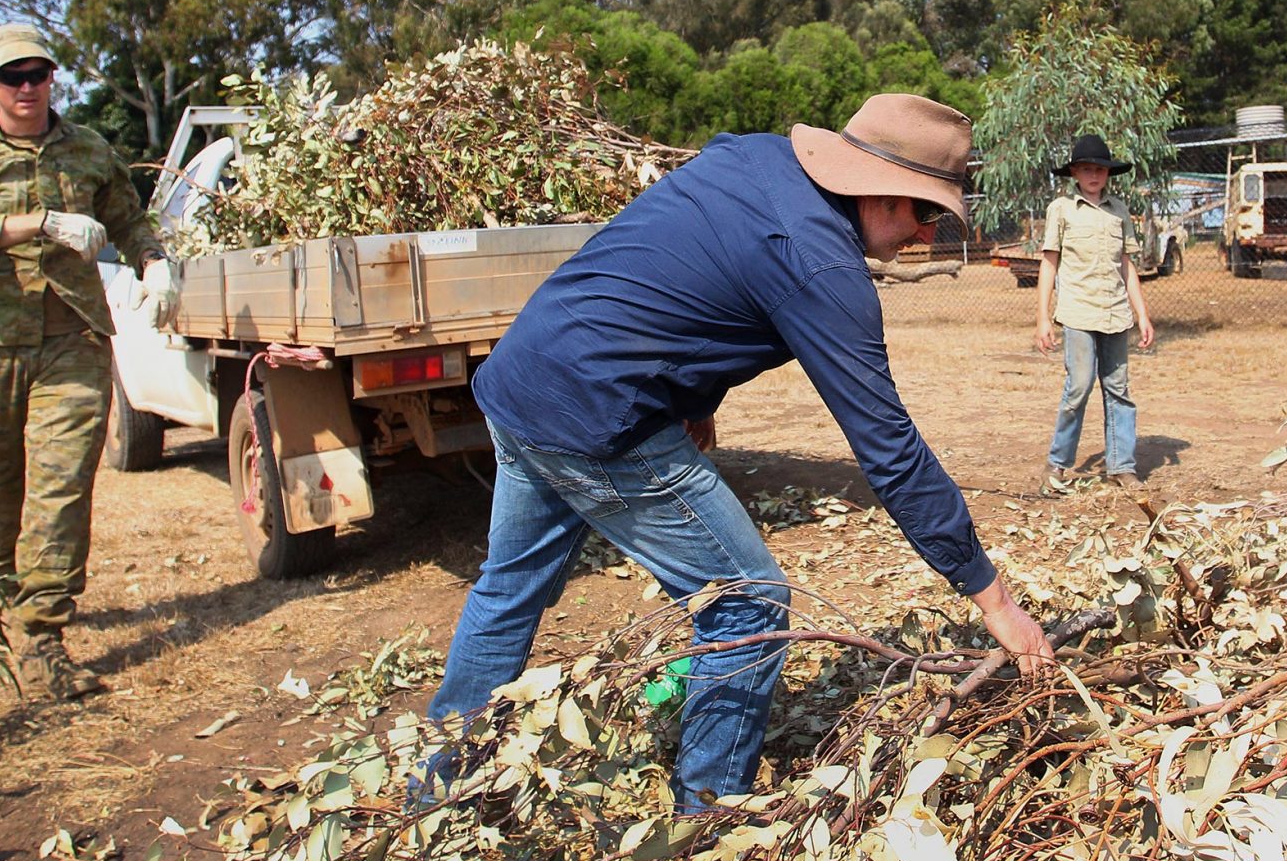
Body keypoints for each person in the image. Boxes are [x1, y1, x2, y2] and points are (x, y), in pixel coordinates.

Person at [427, 93, 1053, 813]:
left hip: (522, 378)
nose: (924, 234)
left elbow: (693, 268)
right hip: (598, 420)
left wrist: (697, 402)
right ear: (880, 191)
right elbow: (891, 452)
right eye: (926, 213)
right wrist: (994, 600)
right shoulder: (821, 267)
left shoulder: (752, 154)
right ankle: (704, 823)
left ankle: (440, 791)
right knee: (751, 605)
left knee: (508, 591)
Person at [0, 24, 175, 700]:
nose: (26, 88)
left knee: (62, 483)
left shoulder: (86, 147)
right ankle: (4, 592)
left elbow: (126, 214)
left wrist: (155, 261)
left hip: (72, 339)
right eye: (10, 78)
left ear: (52, 76)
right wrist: (39, 224)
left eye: (36, 73)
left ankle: (43, 634)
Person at [1034, 135, 1155, 493]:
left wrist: (1142, 314)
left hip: (1116, 313)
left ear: (1108, 174)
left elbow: (1127, 266)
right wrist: (1043, 317)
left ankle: (1122, 465)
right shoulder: (1062, 209)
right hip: (1078, 312)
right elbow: (1049, 263)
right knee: (1080, 386)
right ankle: (1057, 464)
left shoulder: (1119, 211)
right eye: (1087, 169)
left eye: (1100, 169)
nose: (1094, 175)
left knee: (1118, 389)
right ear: (1074, 172)